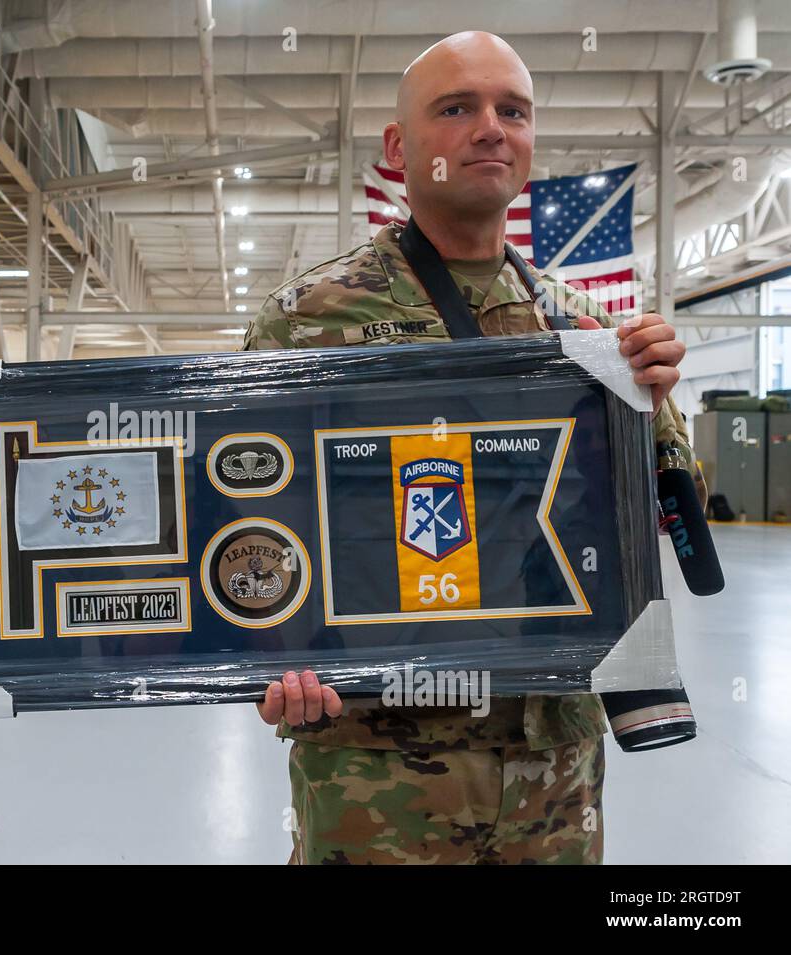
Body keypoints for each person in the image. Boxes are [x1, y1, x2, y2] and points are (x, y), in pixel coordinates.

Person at [243, 32, 695, 865]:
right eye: (456, 108)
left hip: (552, 754)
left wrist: (655, 400)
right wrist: (267, 658)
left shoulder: (587, 330)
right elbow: (240, 514)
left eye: (512, 111)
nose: (490, 127)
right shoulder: (308, 321)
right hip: (375, 762)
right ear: (399, 147)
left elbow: (668, 512)